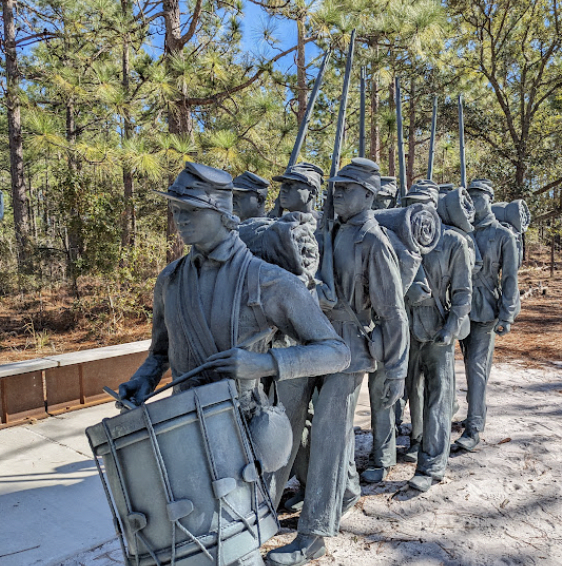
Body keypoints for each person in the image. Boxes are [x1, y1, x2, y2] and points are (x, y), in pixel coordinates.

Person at [118, 162, 351, 566]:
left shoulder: (268, 280)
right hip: (186, 430)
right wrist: (142, 380)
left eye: (190, 210)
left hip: (245, 431)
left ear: (224, 213)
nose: (180, 220)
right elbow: (159, 351)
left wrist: (264, 364)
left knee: (235, 542)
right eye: (176, 210)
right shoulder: (170, 279)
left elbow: (335, 352)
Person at [266, 158, 409, 566]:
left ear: (369, 194)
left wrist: (394, 371)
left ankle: (313, 535)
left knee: (330, 438)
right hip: (309, 336)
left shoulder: (375, 242)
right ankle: (261, 511)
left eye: (346, 189)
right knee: (285, 420)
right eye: (335, 188)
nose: (337, 194)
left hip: (347, 349)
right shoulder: (329, 228)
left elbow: (394, 315)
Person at [362, 178, 439, 483]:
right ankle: (384, 451)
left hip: (388, 329)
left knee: (384, 394)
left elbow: (418, 291)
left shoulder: (404, 247)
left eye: (384, 200)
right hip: (367, 327)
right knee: (381, 396)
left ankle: (384, 458)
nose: (380, 205)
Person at [404, 201, 472, 492]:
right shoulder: (400, 235)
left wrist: (451, 328)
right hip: (405, 330)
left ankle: (432, 465)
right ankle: (411, 446)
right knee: (408, 395)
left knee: (439, 400)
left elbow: (462, 292)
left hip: (437, 330)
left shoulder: (453, 241)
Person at [452, 178, 520, 453]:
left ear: (489, 199)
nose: (472, 202)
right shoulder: (462, 231)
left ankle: (474, 428)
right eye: (469, 197)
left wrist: (507, 315)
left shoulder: (503, 235)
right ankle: (472, 414)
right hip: (459, 309)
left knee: (476, 370)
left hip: (485, 309)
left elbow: (510, 278)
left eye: (477, 197)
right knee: (463, 366)